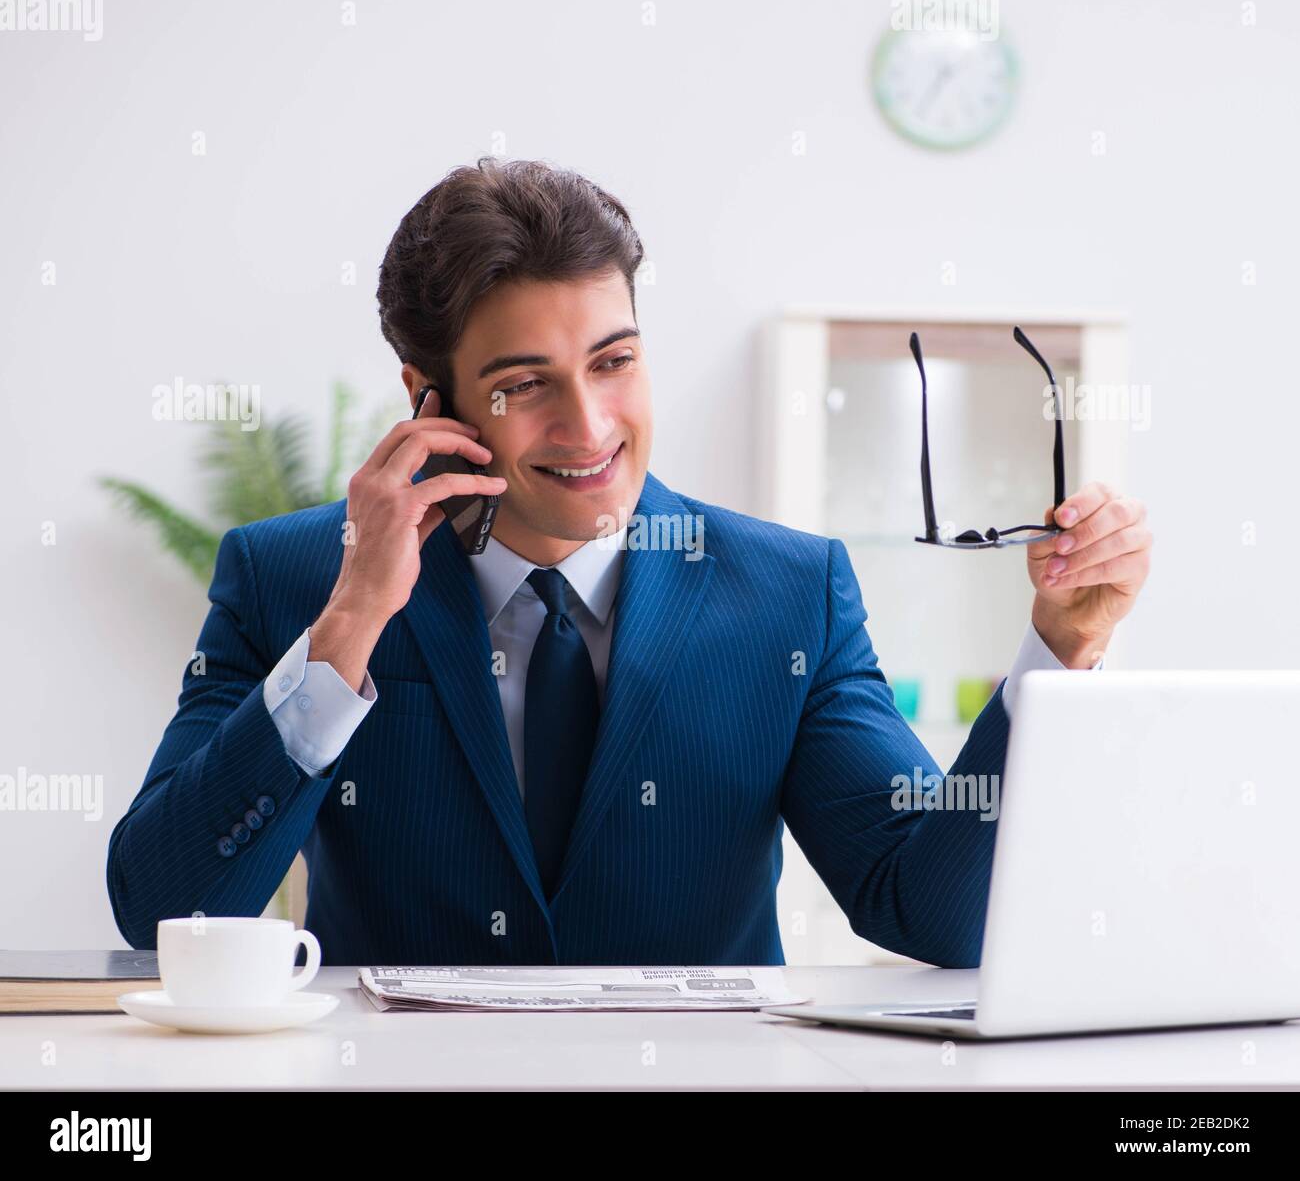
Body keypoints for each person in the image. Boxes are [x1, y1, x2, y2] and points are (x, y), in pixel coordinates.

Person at [107, 157, 1152, 967]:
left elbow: (928, 908)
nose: (590, 425)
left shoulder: (786, 595)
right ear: (430, 399)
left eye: (613, 362)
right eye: (526, 383)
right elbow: (168, 912)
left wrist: (1056, 654)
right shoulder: (293, 579)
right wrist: (347, 632)